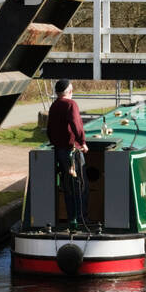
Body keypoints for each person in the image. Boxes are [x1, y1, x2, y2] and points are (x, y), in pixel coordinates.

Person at [46, 78, 88, 228]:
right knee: (80, 184)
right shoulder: (71, 104)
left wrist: (55, 142)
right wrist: (82, 142)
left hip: (59, 150)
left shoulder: (54, 105)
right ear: (70, 91)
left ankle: (71, 218)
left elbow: (49, 129)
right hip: (73, 151)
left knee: (67, 185)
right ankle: (81, 218)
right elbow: (76, 124)